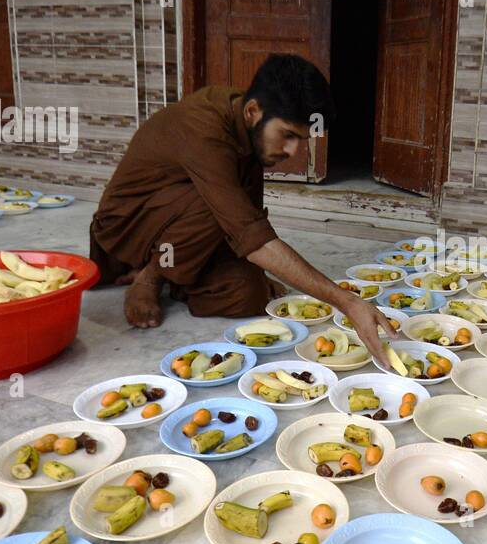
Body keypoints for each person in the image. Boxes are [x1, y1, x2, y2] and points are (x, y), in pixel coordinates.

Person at [89, 53, 392, 367]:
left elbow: (249, 216)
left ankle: (177, 273)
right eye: (288, 135)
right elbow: (248, 230)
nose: (292, 151)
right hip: (129, 225)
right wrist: (346, 301)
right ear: (252, 111)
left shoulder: (250, 124)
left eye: (300, 140)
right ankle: (151, 275)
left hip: (188, 232)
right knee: (214, 202)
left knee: (250, 294)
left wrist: (261, 271)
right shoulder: (204, 128)